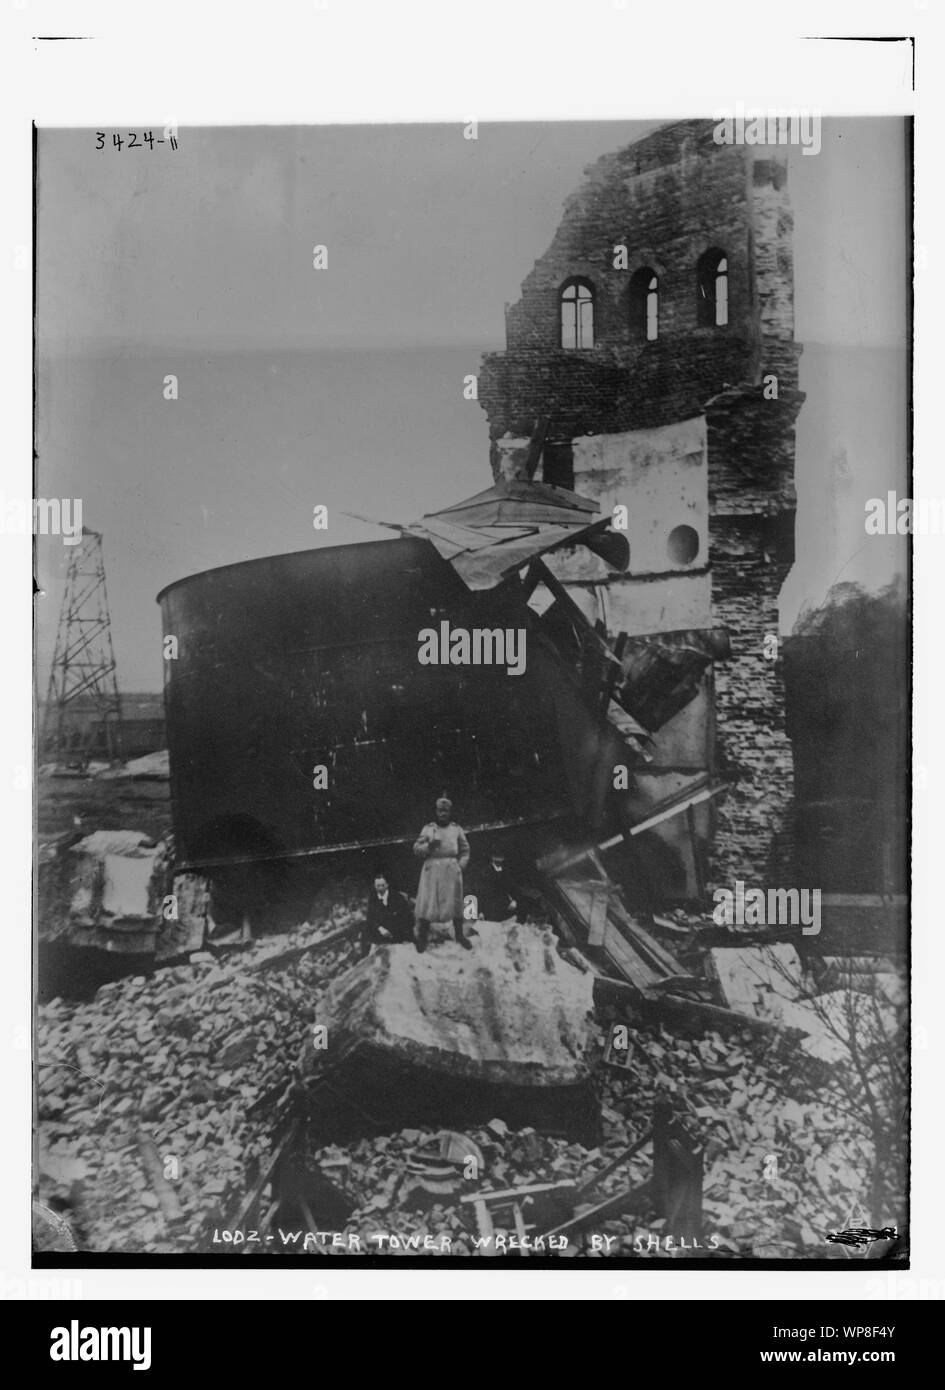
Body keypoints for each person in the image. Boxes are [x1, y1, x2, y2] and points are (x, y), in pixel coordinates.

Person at [413, 796, 472, 953]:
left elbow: (465, 850)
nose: (443, 814)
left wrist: (460, 866)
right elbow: (416, 848)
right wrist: (429, 846)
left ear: (450, 812)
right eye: (440, 810)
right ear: (436, 812)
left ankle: (459, 935)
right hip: (431, 870)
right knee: (428, 903)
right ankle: (422, 938)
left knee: (455, 904)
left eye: (446, 811)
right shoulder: (428, 828)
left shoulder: (456, 829)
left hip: (451, 871)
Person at [361, 873, 413, 958]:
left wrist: (395, 930)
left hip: (396, 930)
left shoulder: (397, 897)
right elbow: (370, 917)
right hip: (381, 931)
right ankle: (365, 956)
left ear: (387, 885)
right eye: (378, 886)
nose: (380, 888)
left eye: (382, 885)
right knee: (365, 928)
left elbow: (406, 917)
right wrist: (380, 929)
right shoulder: (373, 898)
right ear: (375, 886)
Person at [475, 850, 518, 922]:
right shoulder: (485, 872)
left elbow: (513, 888)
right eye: (496, 856)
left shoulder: (506, 872)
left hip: (506, 909)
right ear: (492, 857)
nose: (498, 859)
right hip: (489, 910)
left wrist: (514, 901)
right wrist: (480, 911)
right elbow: (480, 893)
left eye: (501, 856)